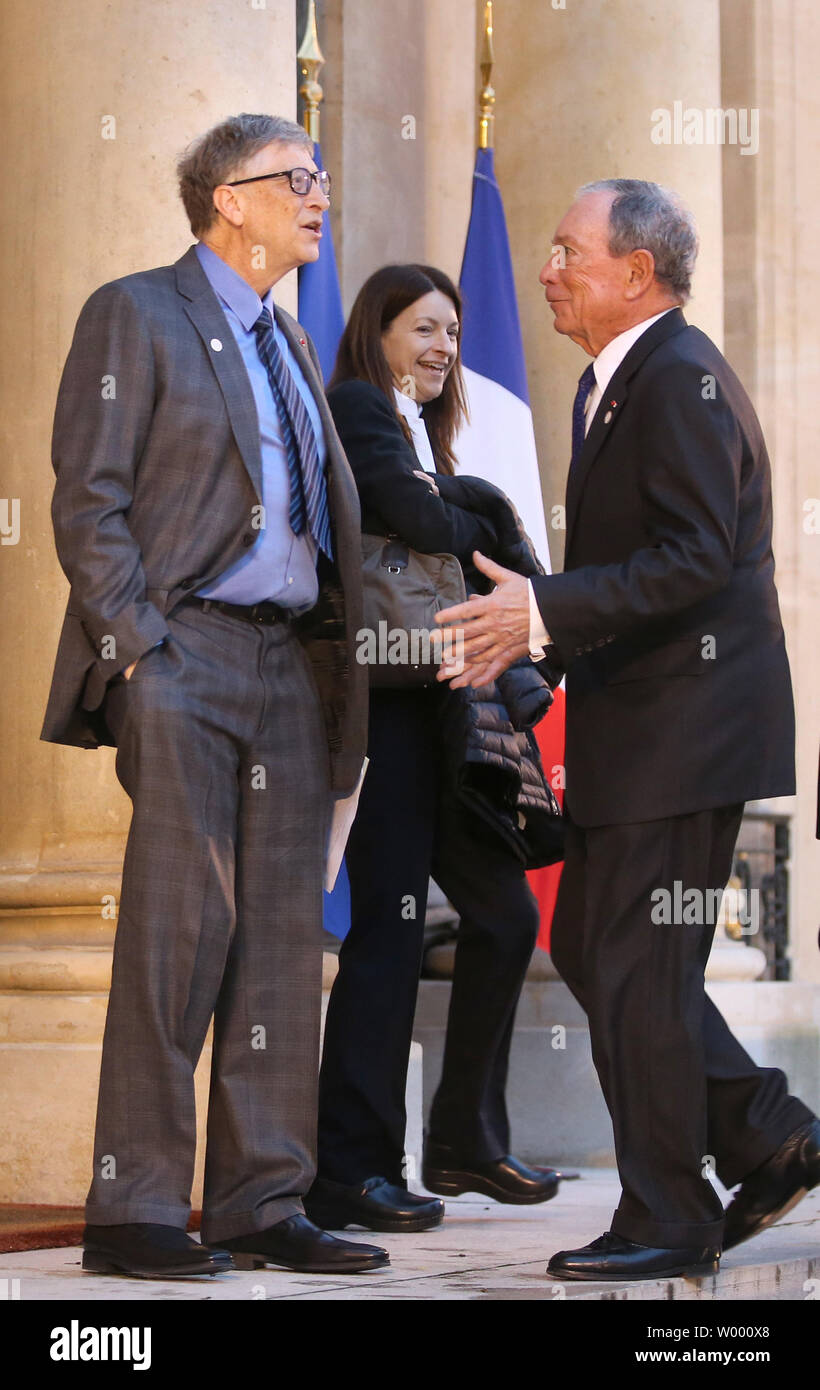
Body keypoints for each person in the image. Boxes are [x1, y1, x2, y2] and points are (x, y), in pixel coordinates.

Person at [435, 180, 820, 1281]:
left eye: (567, 252)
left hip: (684, 731)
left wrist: (544, 610)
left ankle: (666, 1216)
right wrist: (541, 616)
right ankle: (759, 1129)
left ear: (635, 274)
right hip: (643, 723)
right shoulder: (616, 383)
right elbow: (649, 566)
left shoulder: (681, 378)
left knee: (637, 966)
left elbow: (698, 555)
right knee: (596, 946)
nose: (547, 270)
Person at [41, 113, 389, 1278]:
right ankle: (134, 1207)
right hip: (182, 653)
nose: (319, 194)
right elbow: (86, 502)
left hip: (291, 665)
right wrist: (139, 646)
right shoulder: (135, 312)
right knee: (179, 931)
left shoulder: (290, 340)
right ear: (226, 199)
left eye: (322, 175)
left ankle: (261, 1201)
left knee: (283, 942)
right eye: (297, 178)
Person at [304, 263, 563, 1235]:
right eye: (423, 327)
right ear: (376, 331)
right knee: (389, 931)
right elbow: (418, 522)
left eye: (453, 330)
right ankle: (351, 1167)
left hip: (450, 705)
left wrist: (467, 507)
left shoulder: (426, 435)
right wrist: (487, 515)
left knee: (500, 917)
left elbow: (434, 518)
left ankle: (463, 1138)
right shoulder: (362, 411)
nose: (444, 345)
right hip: (393, 702)